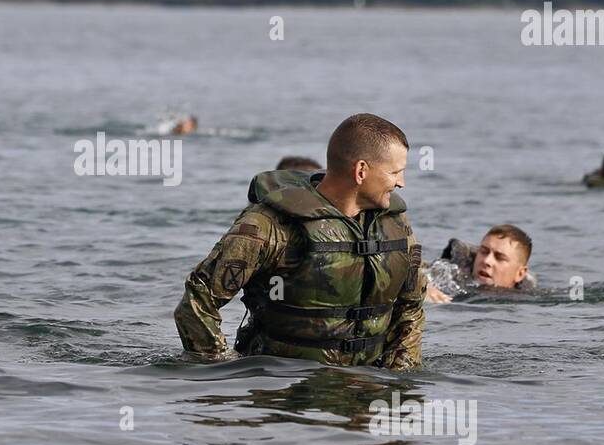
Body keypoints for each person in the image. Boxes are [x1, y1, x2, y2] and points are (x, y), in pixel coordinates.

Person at [174, 113, 425, 370]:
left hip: (366, 388)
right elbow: (198, 300)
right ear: (361, 171)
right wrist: (220, 370)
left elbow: (411, 308)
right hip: (282, 389)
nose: (401, 183)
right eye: (395, 172)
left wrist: (397, 376)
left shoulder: (396, 225)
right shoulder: (269, 226)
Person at [425, 225, 534, 303]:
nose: (487, 261)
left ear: (520, 274)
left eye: (499, 257)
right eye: (484, 251)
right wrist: (422, 289)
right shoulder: (450, 276)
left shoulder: (529, 299)